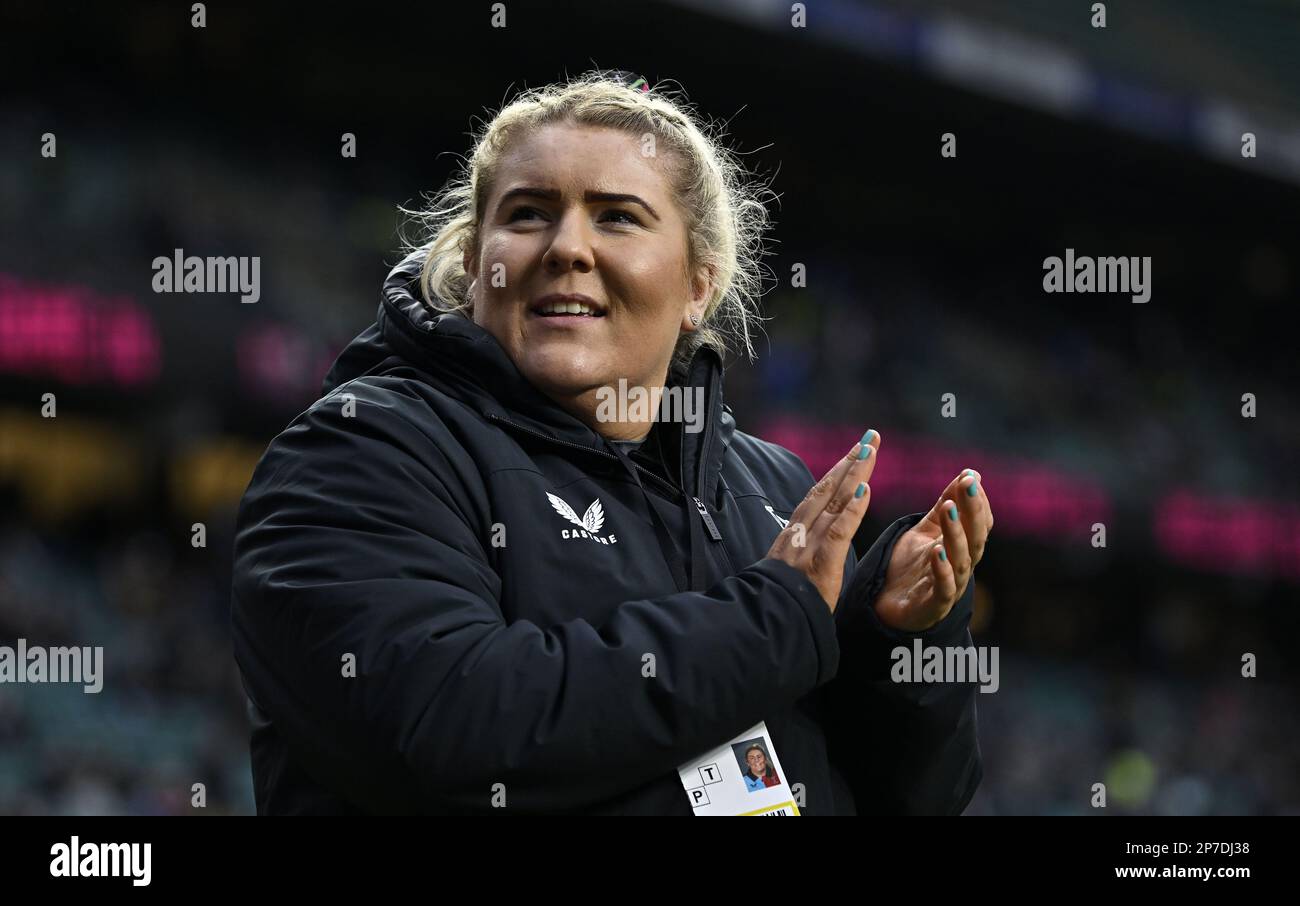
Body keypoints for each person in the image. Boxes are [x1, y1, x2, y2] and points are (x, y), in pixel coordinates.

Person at [230, 71, 994, 815]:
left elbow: (914, 796)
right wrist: (772, 621)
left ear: (700, 284)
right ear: (474, 263)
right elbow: (447, 733)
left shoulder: (773, 487)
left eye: (617, 217)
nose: (567, 247)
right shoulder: (361, 450)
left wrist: (896, 644)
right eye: (527, 213)